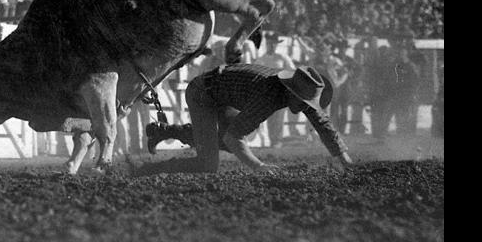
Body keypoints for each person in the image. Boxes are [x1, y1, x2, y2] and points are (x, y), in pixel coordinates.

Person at [147, 64, 354, 173]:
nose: (304, 109)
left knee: (229, 140)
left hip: (220, 90)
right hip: (203, 93)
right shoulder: (267, 96)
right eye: (302, 102)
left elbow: (321, 121)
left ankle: (167, 131)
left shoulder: (296, 90)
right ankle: (146, 170)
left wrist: (344, 158)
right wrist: (259, 166)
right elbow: (233, 137)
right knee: (208, 164)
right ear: (291, 92)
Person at [254, 33, 296, 146]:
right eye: (269, 44)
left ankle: (277, 141)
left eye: (274, 44)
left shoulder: (282, 57)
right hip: (267, 92)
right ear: (266, 44)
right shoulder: (260, 60)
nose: (272, 46)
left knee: (279, 117)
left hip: (281, 91)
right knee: (270, 117)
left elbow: (293, 71)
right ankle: (273, 140)